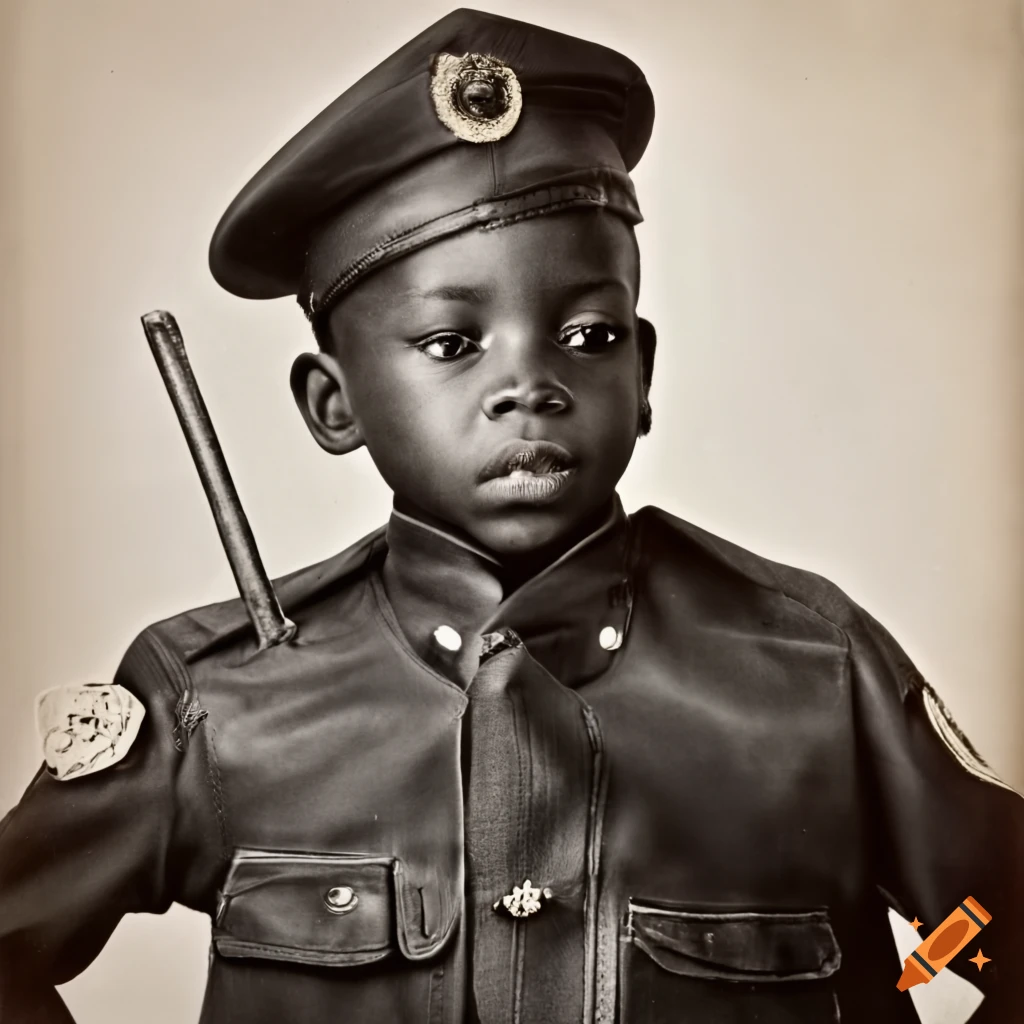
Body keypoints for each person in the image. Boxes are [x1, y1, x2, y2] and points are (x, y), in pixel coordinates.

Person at [0, 8, 1021, 1023]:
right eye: (452, 345)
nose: (528, 382)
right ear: (332, 402)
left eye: (588, 333)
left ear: (644, 368)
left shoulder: (809, 671)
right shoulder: (214, 701)